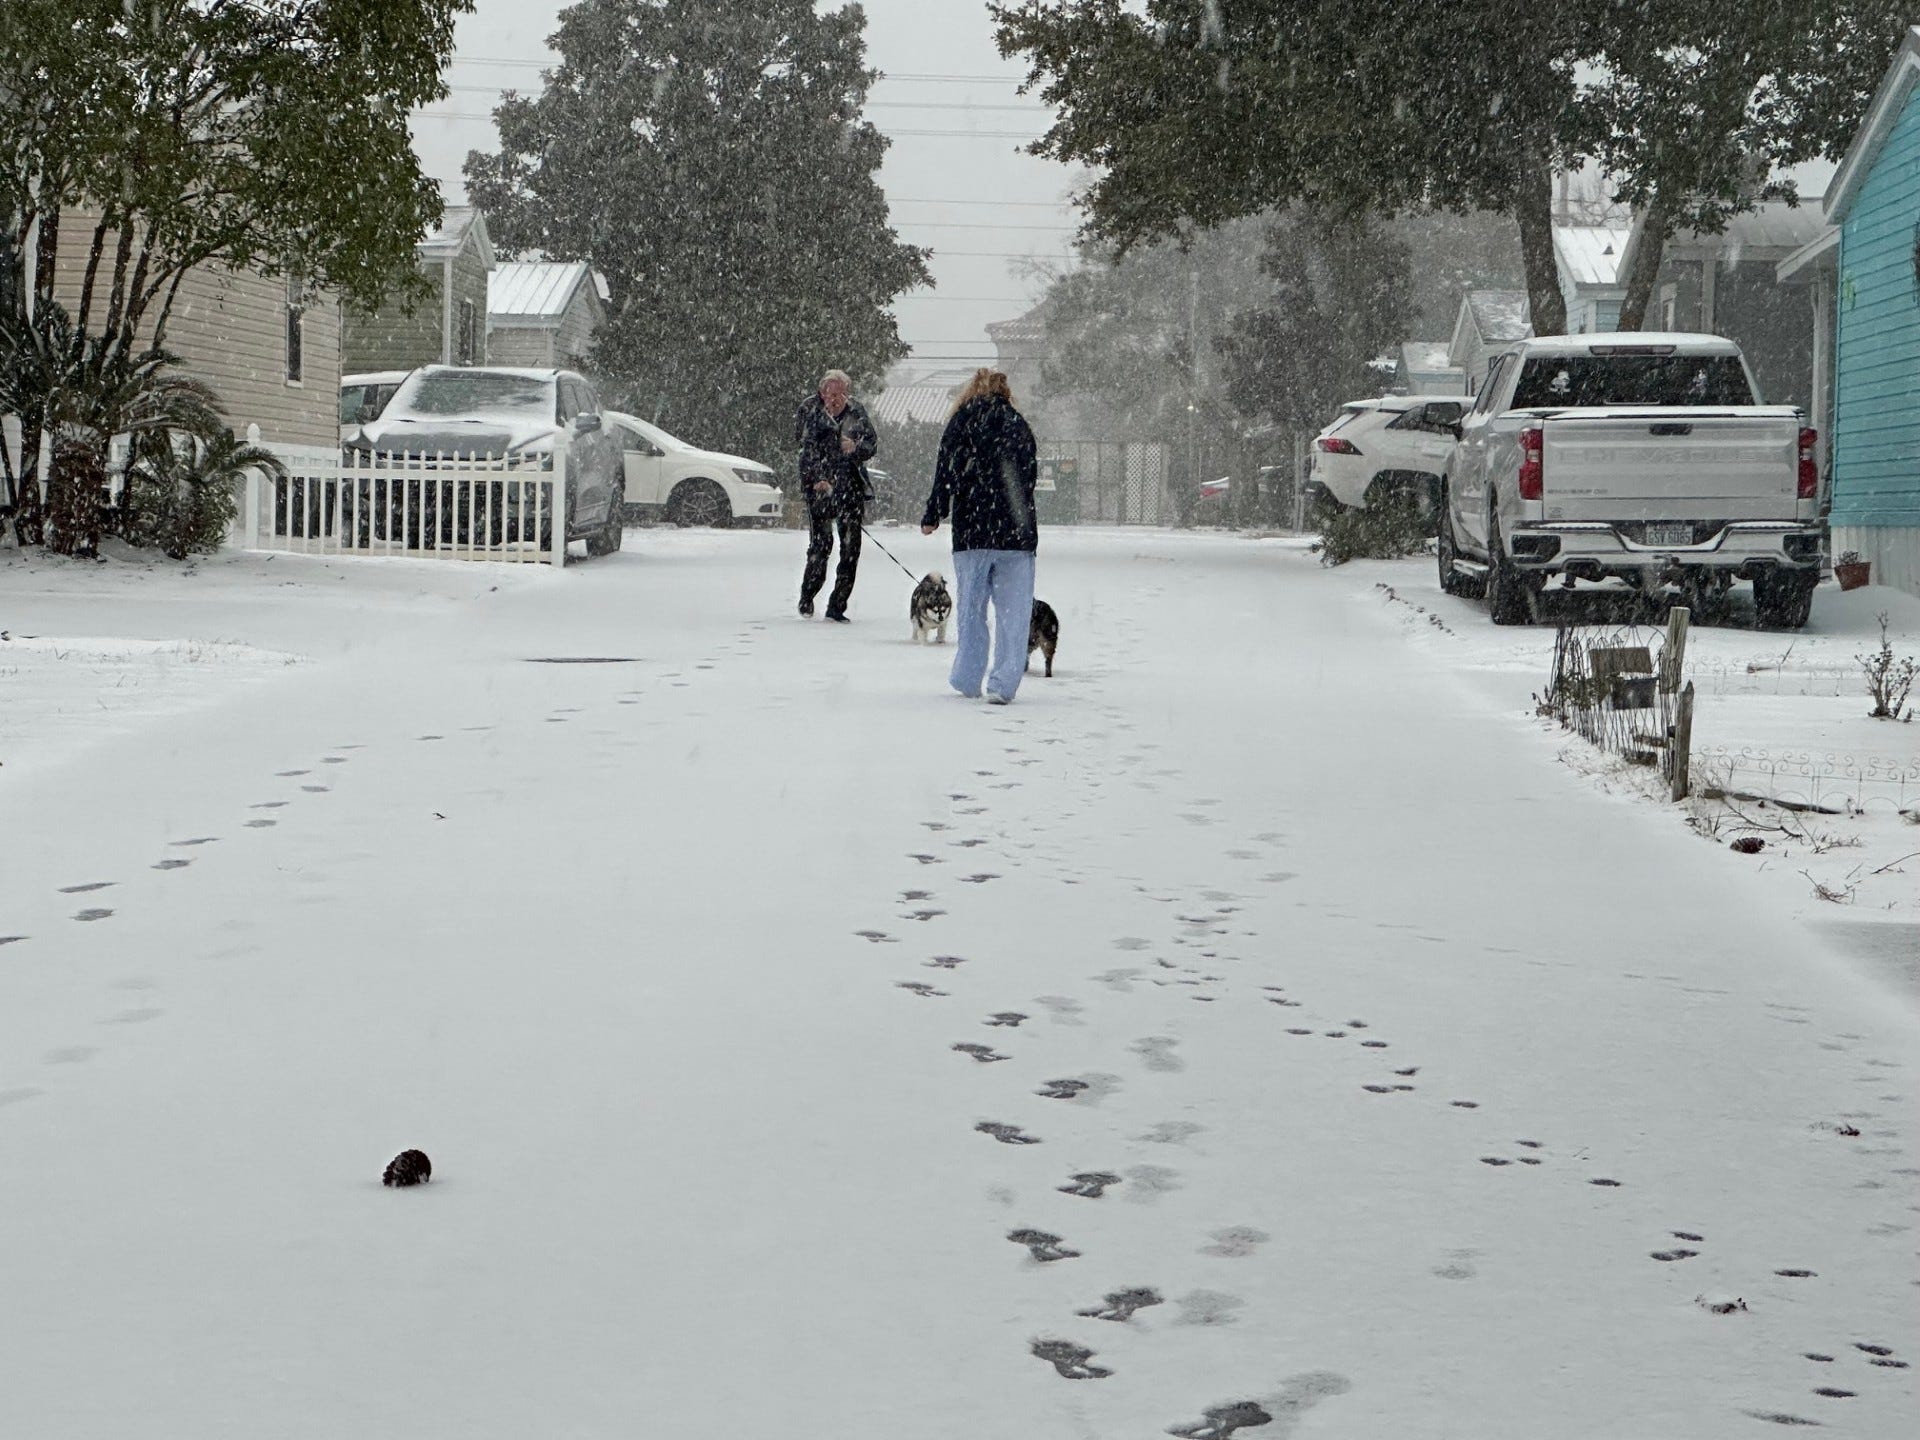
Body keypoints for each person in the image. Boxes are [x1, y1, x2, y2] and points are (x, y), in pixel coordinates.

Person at [920, 369, 1039, 704]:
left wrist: (934, 513)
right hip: (1017, 533)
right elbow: (1029, 474)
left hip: (973, 529)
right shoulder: (1017, 424)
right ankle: (1003, 683)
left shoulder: (961, 422)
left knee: (972, 609)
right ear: (1006, 392)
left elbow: (945, 471)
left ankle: (968, 677)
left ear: (971, 390)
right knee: (1013, 613)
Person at [795, 369, 877, 621]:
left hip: (850, 485)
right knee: (821, 545)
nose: (837, 398)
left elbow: (872, 444)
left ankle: (837, 606)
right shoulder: (810, 410)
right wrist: (818, 477)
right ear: (822, 393)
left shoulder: (856, 411)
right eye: (832, 393)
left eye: (842, 393)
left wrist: (856, 448)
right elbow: (804, 448)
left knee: (851, 547)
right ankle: (808, 595)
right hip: (820, 488)